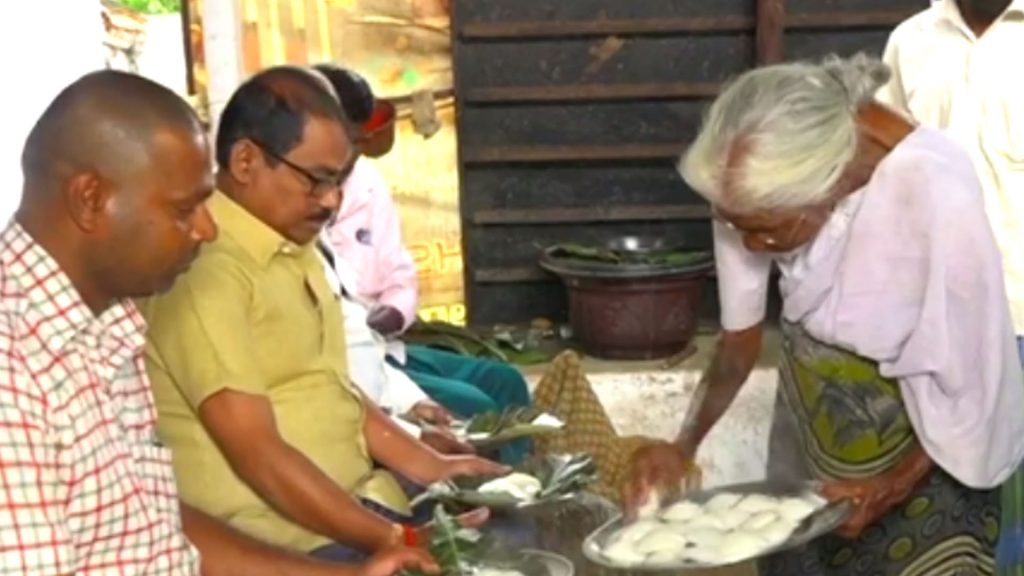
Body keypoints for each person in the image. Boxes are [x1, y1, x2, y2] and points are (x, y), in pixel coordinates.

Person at [0, 70, 436, 576]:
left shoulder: (104, 328)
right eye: (185, 210)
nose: (207, 229)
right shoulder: (13, 372)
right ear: (90, 199)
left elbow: (158, 525)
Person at [624, 54, 1024, 575]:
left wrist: (890, 487)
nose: (750, 244)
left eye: (768, 231)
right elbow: (739, 342)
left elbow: (974, 388)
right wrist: (684, 444)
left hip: (927, 476)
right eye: (734, 224)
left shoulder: (932, 190)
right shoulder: (745, 180)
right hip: (812, 461)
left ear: (832, 186)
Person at [137, 65, 503, 565]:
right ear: (246, 161)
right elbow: (259, 456)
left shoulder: (289, 243)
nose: (330, 201)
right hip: (287, 546)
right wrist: (396, 540)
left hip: (358, 506)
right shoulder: (209, 271)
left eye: (338, 182)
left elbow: (331, 387)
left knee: (521, 522)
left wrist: (435, 465)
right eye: (317, 181)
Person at [874, 2, 1024, 570]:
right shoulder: (910, 43)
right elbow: (883, 171)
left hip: (1023, 303)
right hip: (943, 320)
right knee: (965, 497)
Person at [313, 65, 532, 448]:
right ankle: (498, 496)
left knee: (506, 382)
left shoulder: (365, 182)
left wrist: (392, 313)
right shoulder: (287, 207)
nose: (357, 149)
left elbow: (398, 273)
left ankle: (523, 487)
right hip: (353, 365)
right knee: (478, 408)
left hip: (384, 348)